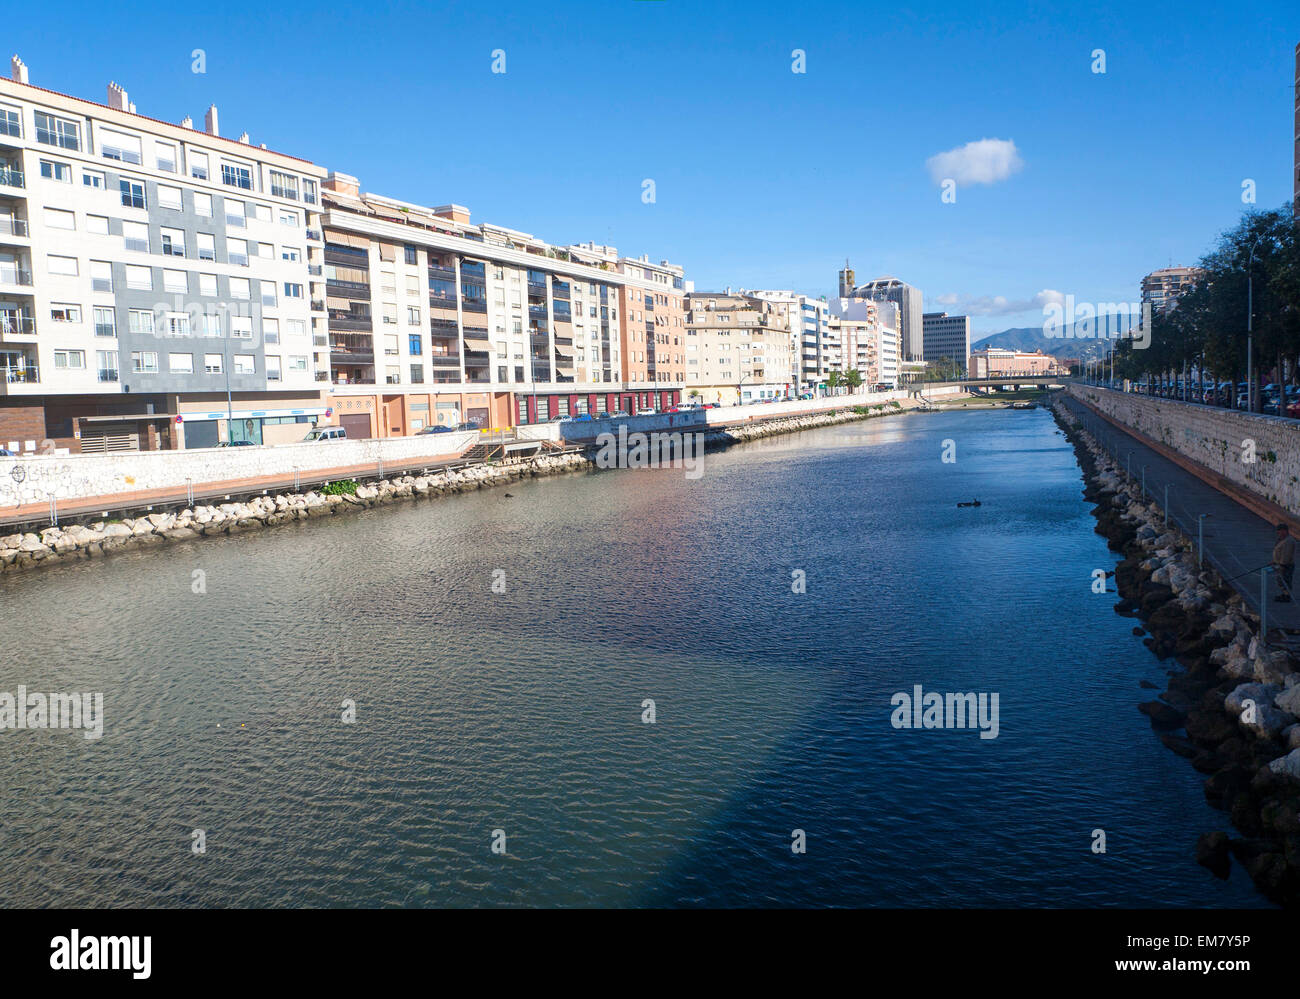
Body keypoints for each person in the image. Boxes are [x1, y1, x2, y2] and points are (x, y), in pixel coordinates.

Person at [1272, 522, 1295, 603]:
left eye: (1280, 531)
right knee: (1280, 580)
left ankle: (1287, 596)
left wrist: (1282, 564)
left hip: (1285, 565)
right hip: (1279, 564)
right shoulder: (1281, 540)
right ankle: (1284, 594)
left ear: (1285, 531)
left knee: (1285, 580)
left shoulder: (1289, 541)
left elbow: (1286, 554)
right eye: (1278, 531)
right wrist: (1274, 562)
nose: (1278, 533)